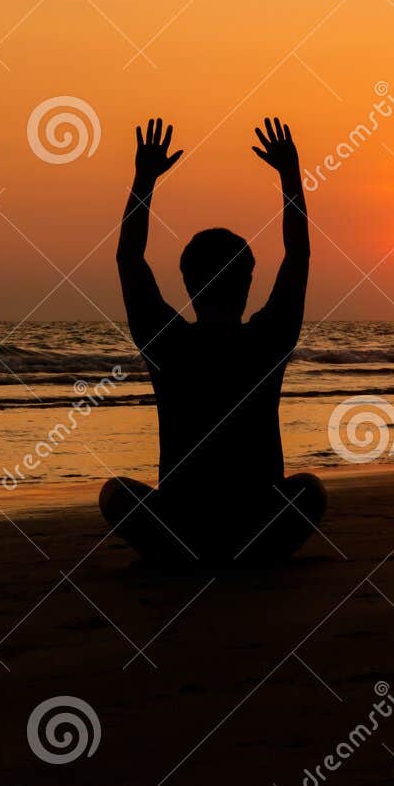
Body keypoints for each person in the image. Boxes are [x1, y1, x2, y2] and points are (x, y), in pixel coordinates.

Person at [99, 116, 327, 565]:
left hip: (184, 528)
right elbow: (298, 255)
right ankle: (250, 556)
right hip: (255, 525)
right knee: (310, 490)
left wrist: (144, 179)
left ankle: (187, 558)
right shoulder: (267, 339)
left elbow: (129, 257)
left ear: (187, 282)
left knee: (115, 493)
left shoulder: (169, 342)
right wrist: (289, 174)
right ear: (247, 283)